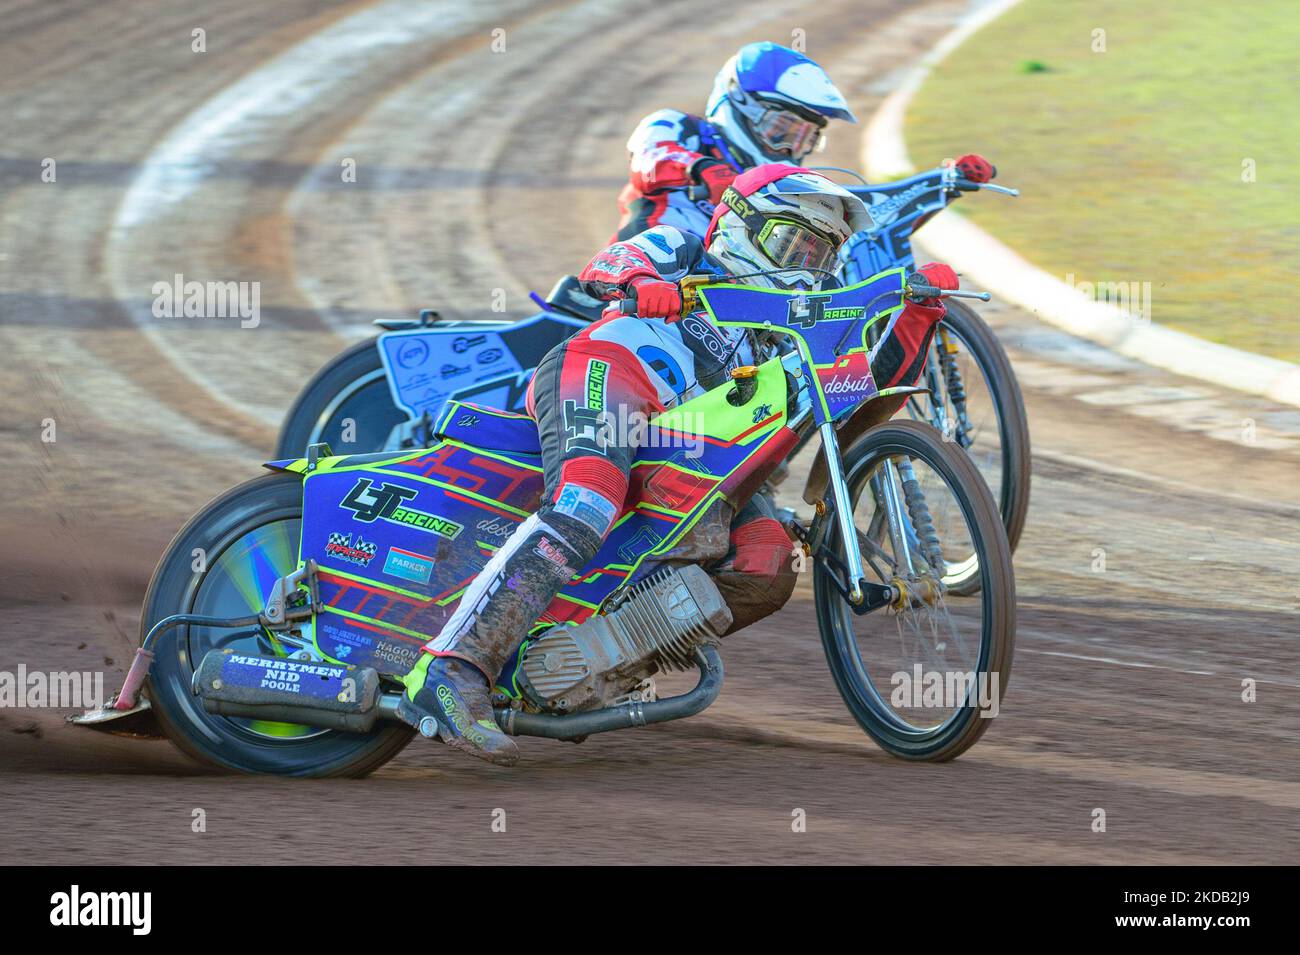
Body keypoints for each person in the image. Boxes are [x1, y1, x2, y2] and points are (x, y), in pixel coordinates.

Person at [398, 165, 960, 766]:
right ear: (740, 226)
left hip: (696, 451)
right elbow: (606, 266)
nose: (803, 264)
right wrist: (643, 281)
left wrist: (918, 314)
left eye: (819, 254)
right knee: (586, 502)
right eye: (790, 242)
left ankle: (587, 668)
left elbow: (868, 395)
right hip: (608, 372)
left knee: (768, 562)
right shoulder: (688, 248)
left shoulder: (790, 337)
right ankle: (451, 668)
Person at [614, 41, 857, 241]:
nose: (788, 147)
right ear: (740, 103)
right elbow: (647, 160)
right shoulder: (679, 126)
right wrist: (701, 169)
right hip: (641, 270)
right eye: (781, 129)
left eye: (804, 138)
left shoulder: (781, 188)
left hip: (725, 285)